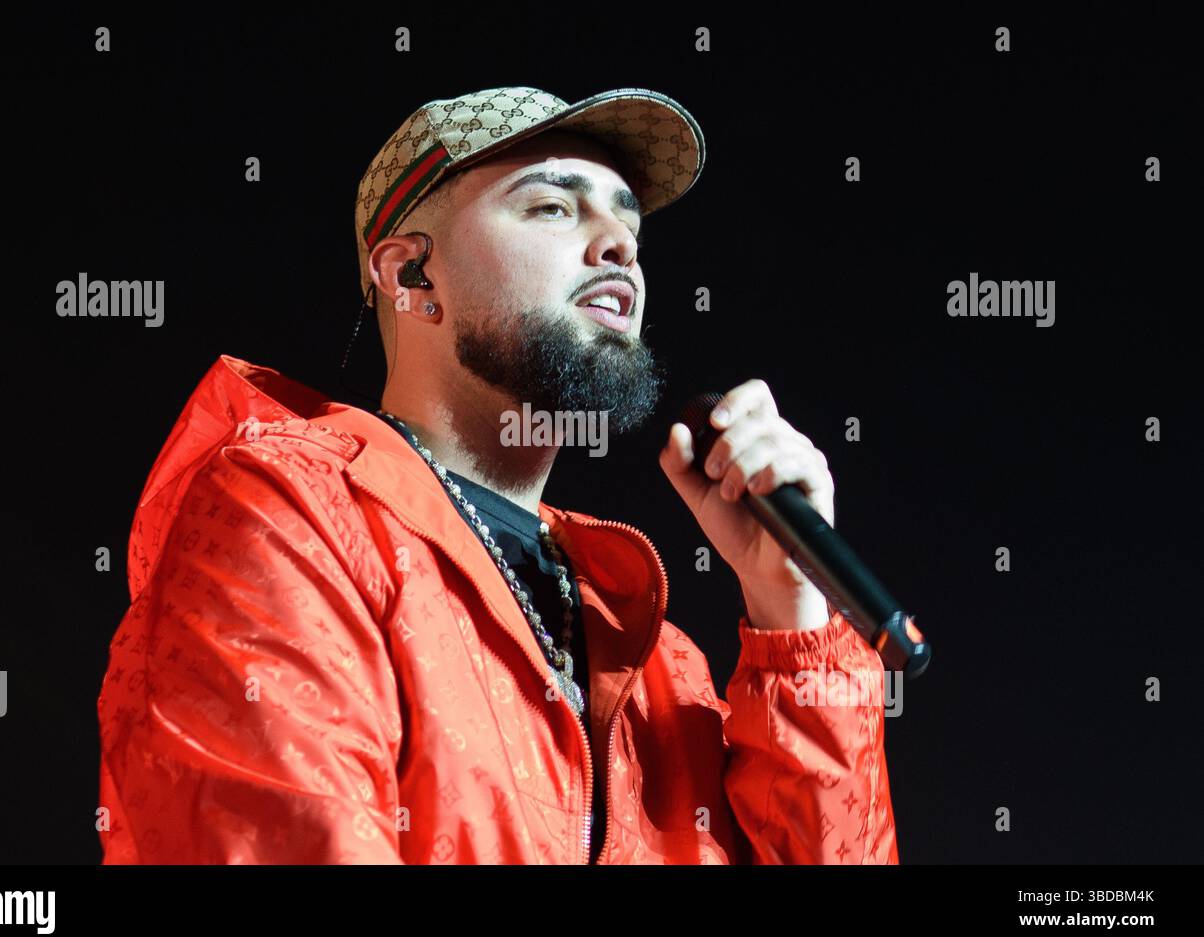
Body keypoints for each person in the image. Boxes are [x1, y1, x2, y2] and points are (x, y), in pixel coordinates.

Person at [96, 86, 899, 864]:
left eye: (628, 223)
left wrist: (792, 619)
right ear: (411, 275)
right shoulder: (287, 515)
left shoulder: (659, 662)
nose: (619, 242)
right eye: (553, 206)